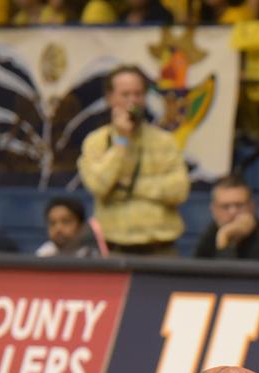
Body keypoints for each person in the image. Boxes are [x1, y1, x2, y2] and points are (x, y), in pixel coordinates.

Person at [77, 64, 189, 256]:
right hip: (115, 250)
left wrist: (128, 187)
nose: (133, 101)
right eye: (125, 95)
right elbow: (99, 185)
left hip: (161, 250)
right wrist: (121, 142)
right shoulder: (96, 142)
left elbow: (179, 191)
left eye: (138, 94)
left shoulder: (165, 141)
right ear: (110, 98)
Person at [193, 175, 259, 261]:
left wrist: (224, 238)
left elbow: (229, 281)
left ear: (252, 207)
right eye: (225, 206)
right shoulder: (212, 232)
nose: (233, 212)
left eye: (239, 205)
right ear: (213, 210)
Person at [36, 196, 106, 257]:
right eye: (52, 223)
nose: (58, 228)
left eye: (66, 221)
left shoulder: (92, 256)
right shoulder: (43, 255)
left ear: (81, 226)